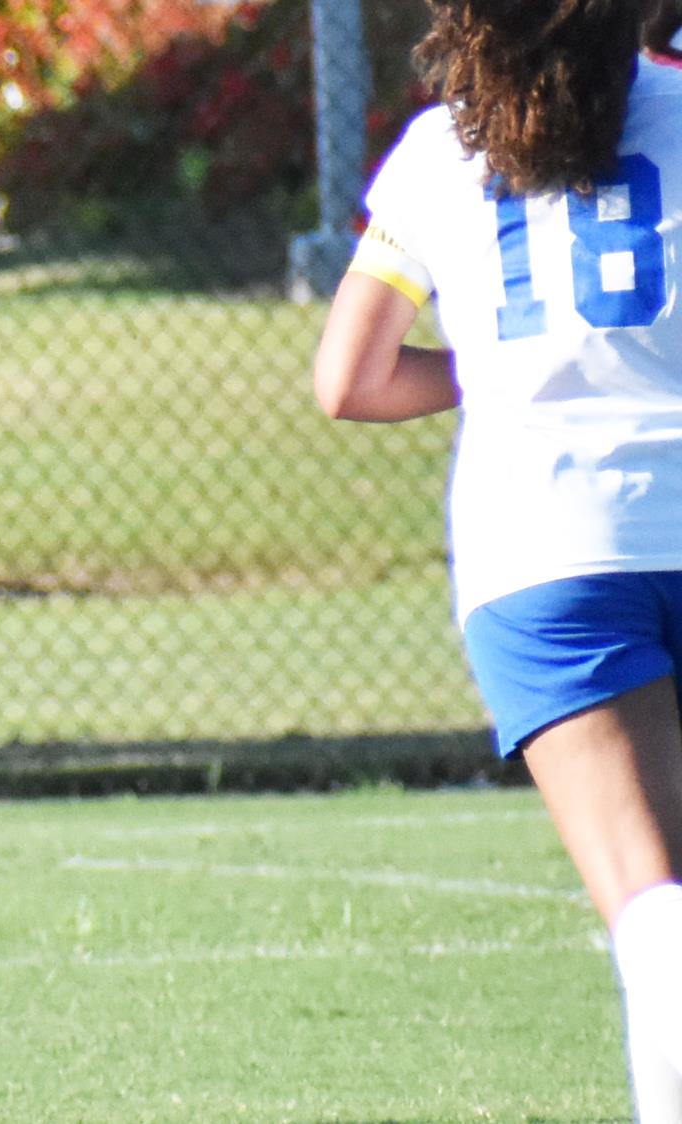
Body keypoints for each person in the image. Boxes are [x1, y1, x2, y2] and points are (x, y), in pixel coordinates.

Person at [313, 2, 682, 1118]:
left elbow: (348, 379)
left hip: (544, 553)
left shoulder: (437, 151)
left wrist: (512, 365)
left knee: (653, 909)